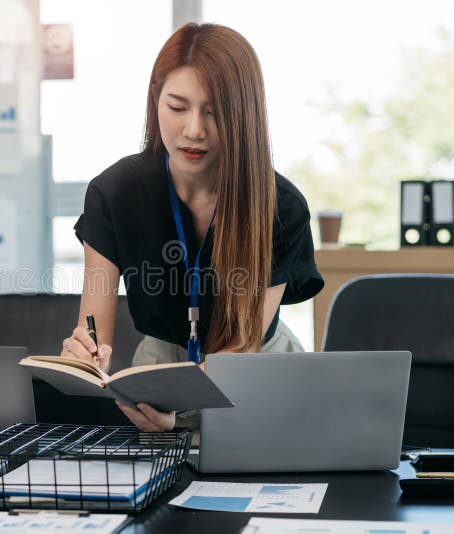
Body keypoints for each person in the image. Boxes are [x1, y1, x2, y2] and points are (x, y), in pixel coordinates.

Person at [60, 23, 324, 432]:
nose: (194, 130)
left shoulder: (281, 207)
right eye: (178, 107)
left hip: (257, 368)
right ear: (155, 99)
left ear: (244, 113)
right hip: (161, 366)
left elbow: (241, 346)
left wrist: (182, 411)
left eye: (214, 111)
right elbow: (95, 333)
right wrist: (83, 355)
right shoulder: (113, 194)